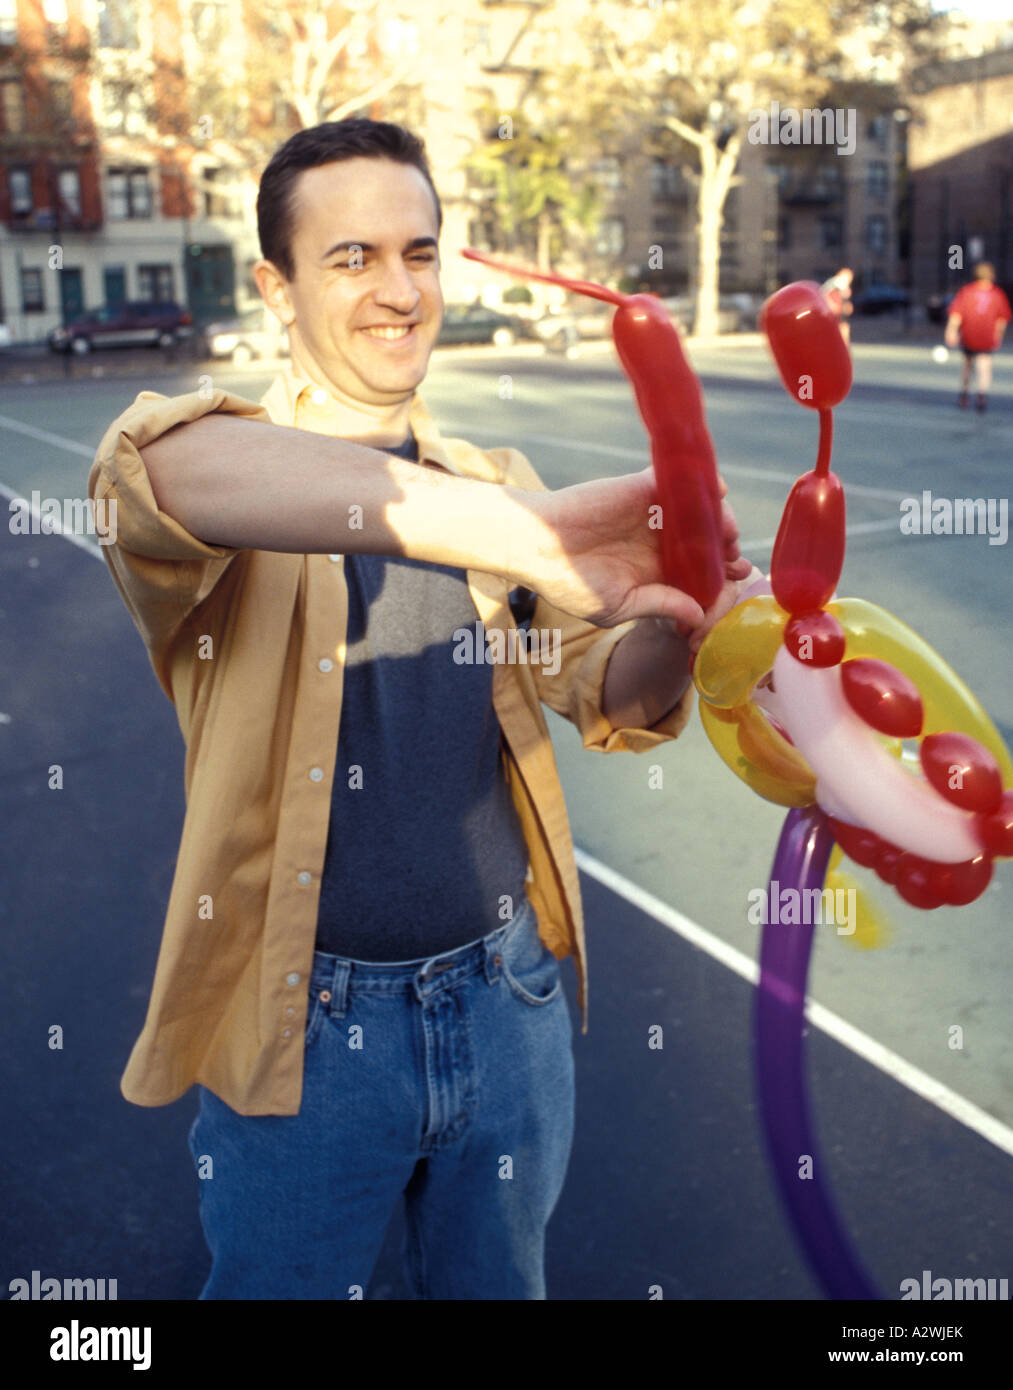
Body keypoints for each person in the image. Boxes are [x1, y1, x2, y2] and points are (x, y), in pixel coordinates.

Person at [88, 119, 754, 1301]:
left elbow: (611, 691)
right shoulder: (227, 480)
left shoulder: (493, 482)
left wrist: (678, 620)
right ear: (274, 286)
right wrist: (526, 536)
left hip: (505, 1001)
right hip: (302, 1034)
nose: (398, 291)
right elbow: (147, 472)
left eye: (420, 251)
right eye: (350, 259)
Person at [944, 261, 1011, 411]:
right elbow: (1001, 320)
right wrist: (998, 335)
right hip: (986, 336)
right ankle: (982, 395)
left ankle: (964, 395)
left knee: (967, 365)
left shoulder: (967, 291)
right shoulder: (997, 294)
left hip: (969, 334)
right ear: (991, 275)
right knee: (984, 366)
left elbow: (956, 314)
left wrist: (951, 331)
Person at [820, 268, 854, 346]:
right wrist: (833, 306)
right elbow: (827, 297)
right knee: (842, 332)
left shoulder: (834, 284)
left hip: (839, 314)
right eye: (849, 277)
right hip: (835, 314)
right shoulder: (837, 283)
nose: (850, 280)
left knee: (843, 331)